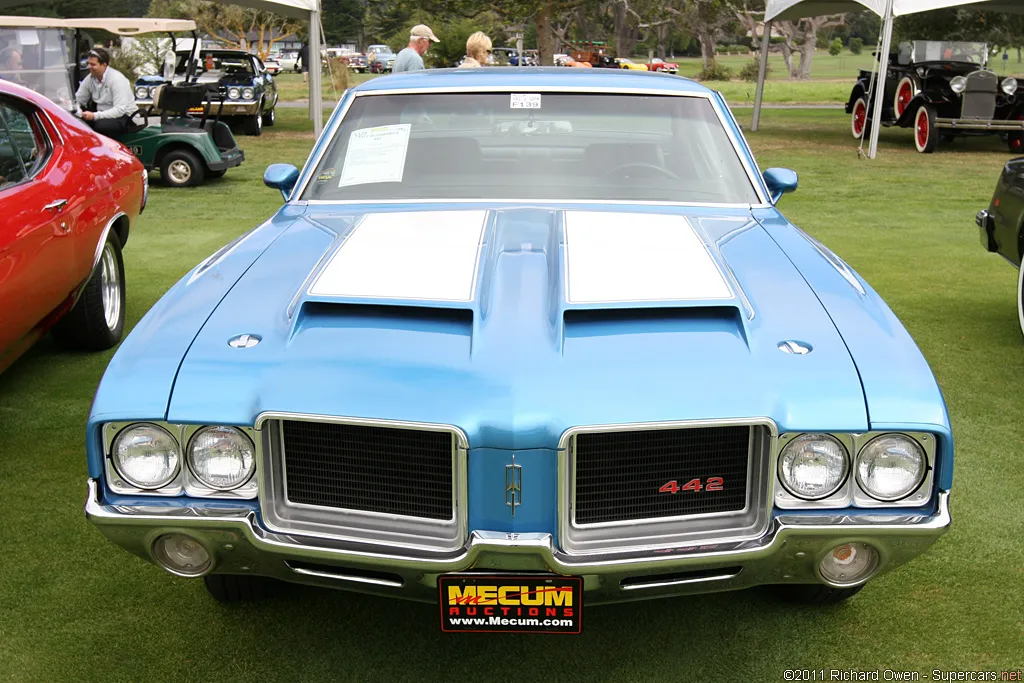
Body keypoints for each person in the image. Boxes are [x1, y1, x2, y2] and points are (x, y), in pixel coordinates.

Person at [74, 47, 138, 140]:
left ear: (104, 65)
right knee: (77, 123)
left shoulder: (117, 79)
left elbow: (119, 110)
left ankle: (106, 148)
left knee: (101, 126)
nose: (89, 67)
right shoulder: (90, 78)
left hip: (125, 116)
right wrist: (76, 109)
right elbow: (79, 98)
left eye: (93, 64)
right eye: (88, 63)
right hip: (103, 114)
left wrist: (94, 116)